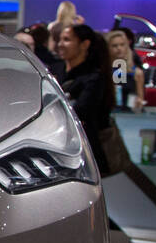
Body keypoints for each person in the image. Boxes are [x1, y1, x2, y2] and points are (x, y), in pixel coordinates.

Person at [56, 23, 115, 175]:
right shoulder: (55, 71)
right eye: (60, 39)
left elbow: (81, 111)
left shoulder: (94, 78)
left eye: (67, 40)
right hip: (57, 148)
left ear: (84, 44)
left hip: (86, 153)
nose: (60, 44)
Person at [106, 29, 145, 112]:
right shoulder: (104, 71)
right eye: (114, 45)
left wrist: (139, 102)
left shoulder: (137, 73)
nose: (119, 48)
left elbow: (140, 99)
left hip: (129, 115)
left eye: (122, 45)